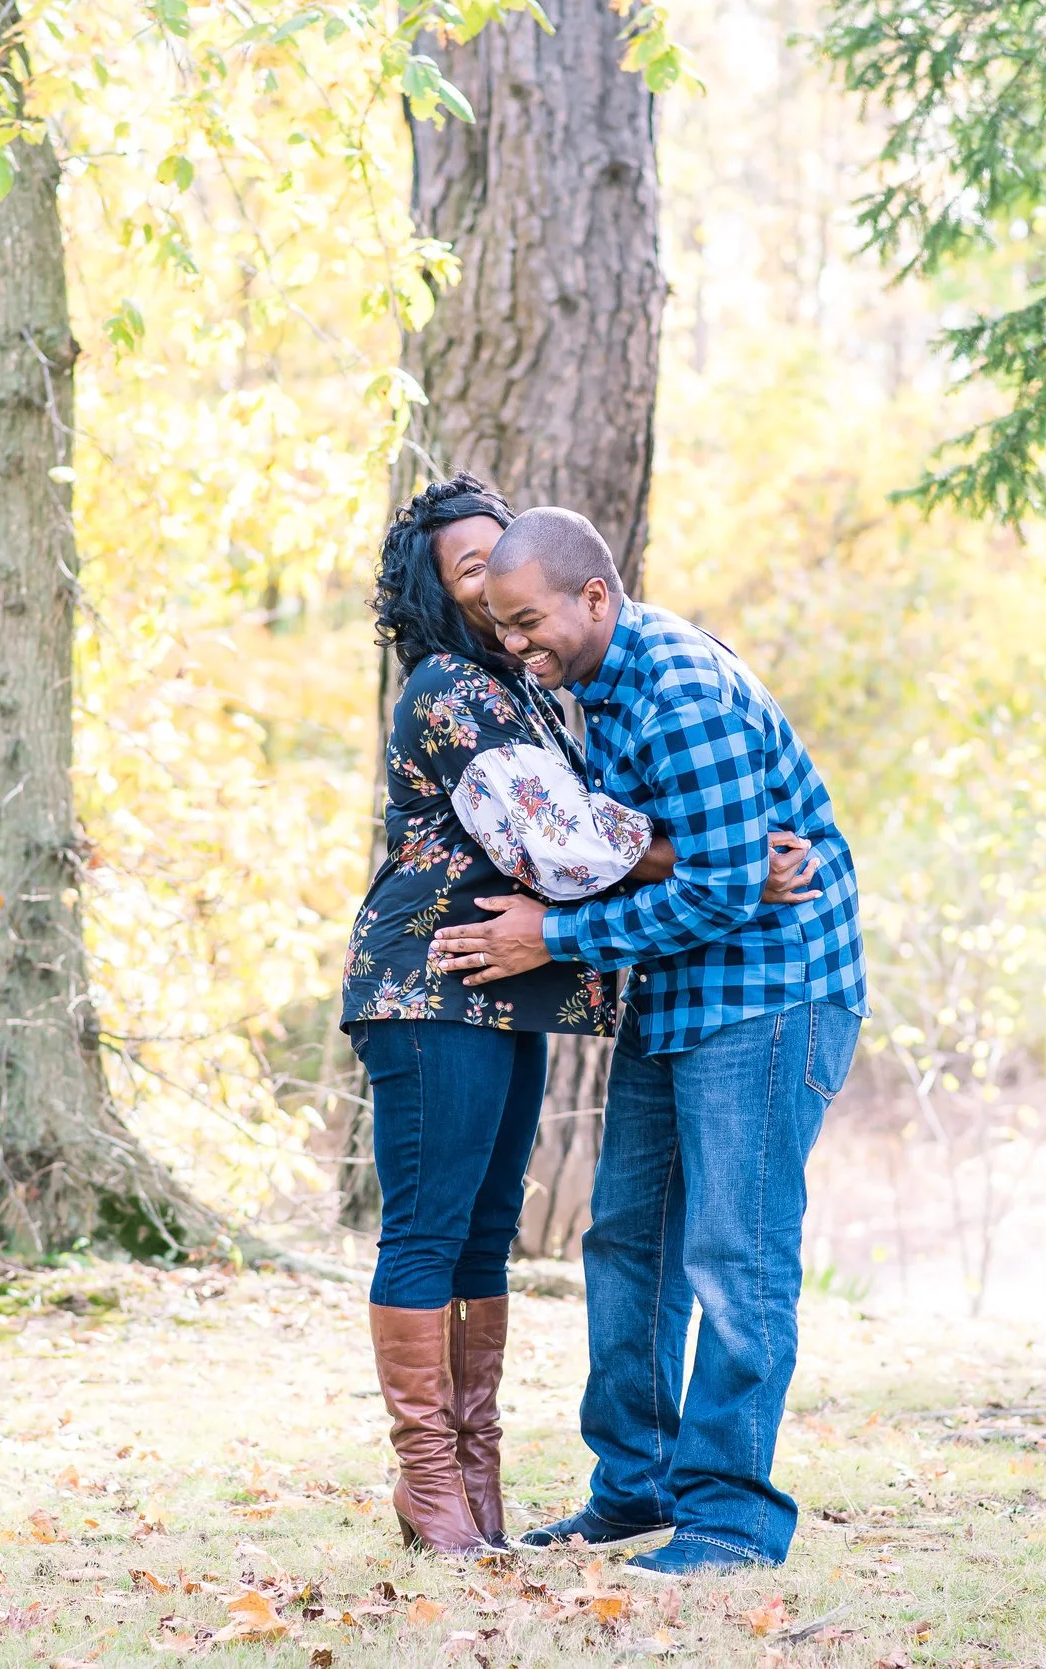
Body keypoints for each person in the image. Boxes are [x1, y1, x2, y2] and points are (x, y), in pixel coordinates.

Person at [346, 477, 821, 1555]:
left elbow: (600, 837)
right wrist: (712, 859)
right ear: (441, 593)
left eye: (512, 581)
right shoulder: (468, 689)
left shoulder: (586, 689)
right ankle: (459, 1490)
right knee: (541, 1239)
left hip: (633, 990)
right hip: (445, 983)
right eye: (477, 577)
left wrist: (701, 867)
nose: (501, 603)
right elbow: (568, 843)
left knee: (657, 1250)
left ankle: (649, 1510)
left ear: (582, 593)